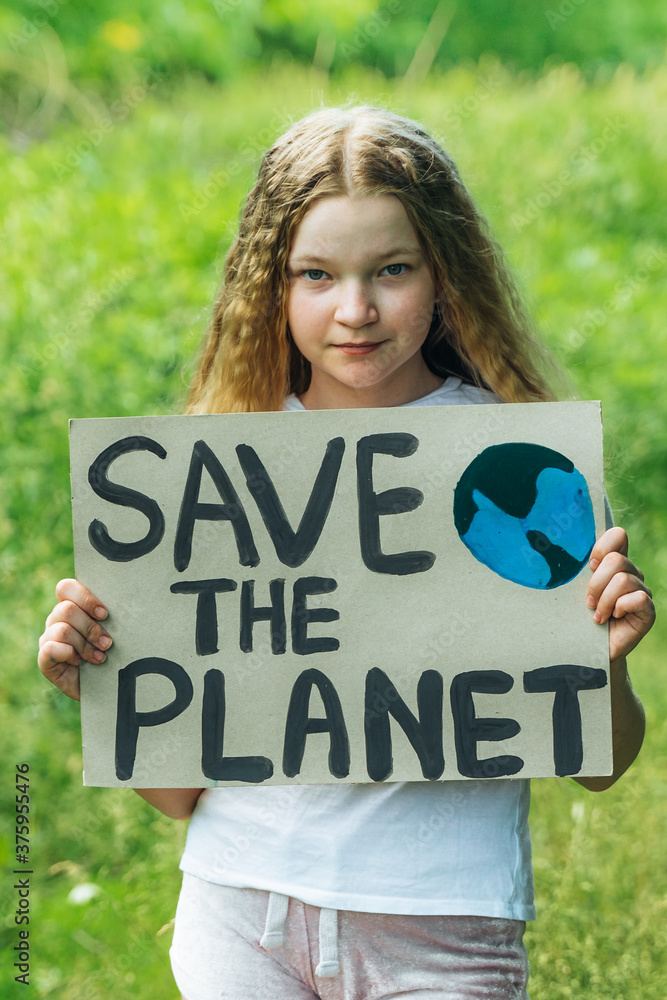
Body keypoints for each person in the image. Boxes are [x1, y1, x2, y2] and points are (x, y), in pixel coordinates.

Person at [38, 104, 654, 1000]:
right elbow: (176, 798)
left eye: (391, 270)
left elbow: (598, 765)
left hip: (441, 924)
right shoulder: (214, 470)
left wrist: (604, 667)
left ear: (443, 276)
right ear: (270, 288)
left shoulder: (523, 469)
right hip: (238, 911)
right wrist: (108, 681)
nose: (354, 310)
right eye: (315, 275)